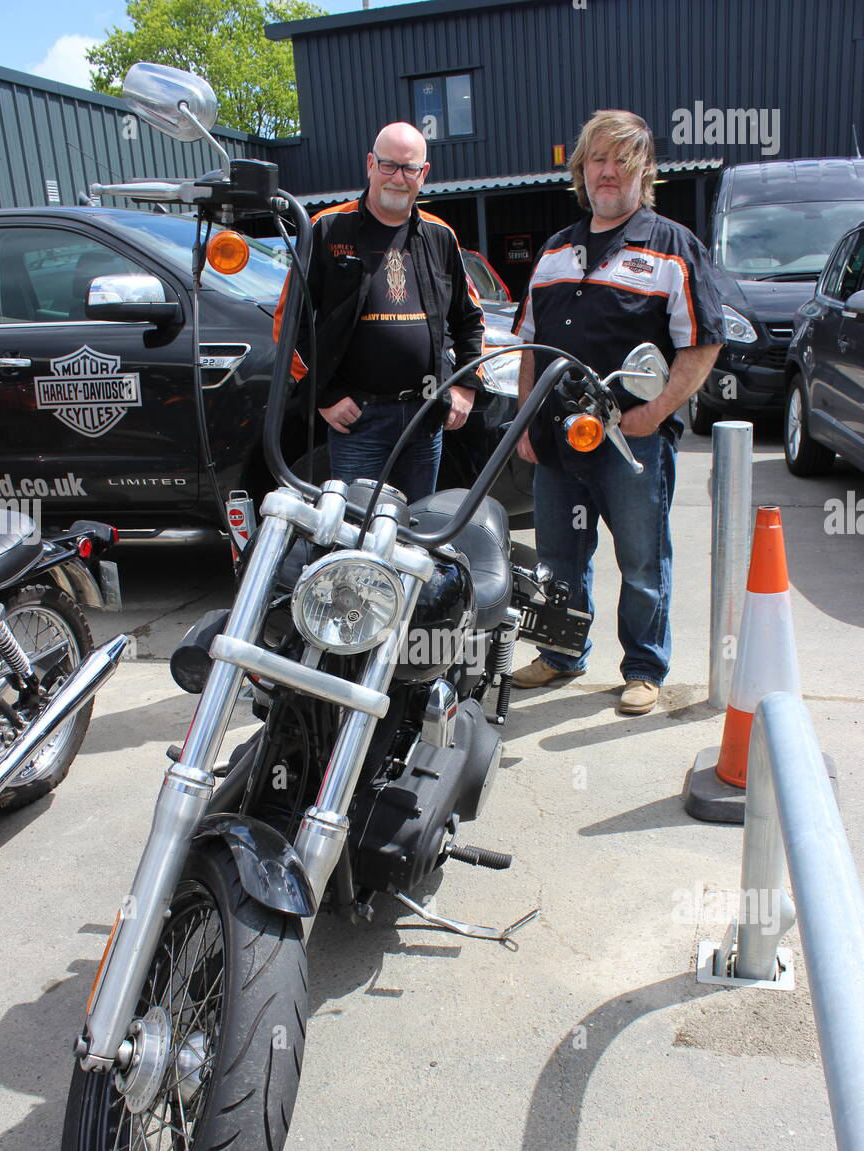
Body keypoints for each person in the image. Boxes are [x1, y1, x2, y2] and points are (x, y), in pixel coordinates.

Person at [512, 110, 724, 714]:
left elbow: (703, 343)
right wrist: (527, 419)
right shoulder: (555, 250)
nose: (608, 173)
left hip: (631, 443)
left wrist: (656, 411)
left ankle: (644, 669)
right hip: (557, 440)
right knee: (558, 559)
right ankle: (559, 656)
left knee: (641, 559)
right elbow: (529, 341)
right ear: (581, 171)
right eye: (597, 160)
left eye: (622, 162)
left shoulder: (672, 247)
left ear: (644, 172)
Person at [273, 123, 484, 504]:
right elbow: (287, 323)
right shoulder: (328, 229)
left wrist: (467, 386)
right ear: (370, 164)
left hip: (424, 418)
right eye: (388, 165)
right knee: (359, 536)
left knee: (416, 536)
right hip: (358, 421)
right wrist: (324, 394)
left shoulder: (440, 236)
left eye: (409, 169)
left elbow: (470, 319)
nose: (398, 178)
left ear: (424, 174)